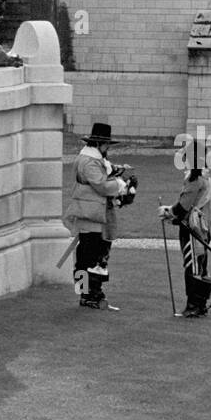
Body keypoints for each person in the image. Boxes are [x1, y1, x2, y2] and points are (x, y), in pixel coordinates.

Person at [63, 122, 137, 309]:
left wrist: (120, 172)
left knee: (93, 256)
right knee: (89, 256)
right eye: (106, 145)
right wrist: (121, 185)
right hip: (91, 214)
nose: (107, 148)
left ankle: (91, 293)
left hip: (94, 213)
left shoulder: (93, 159)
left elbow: (107, 171)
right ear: (98, 144)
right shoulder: (89, 162)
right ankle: (86, 295)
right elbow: (102, 185)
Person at [159, 151, 211, 318]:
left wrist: (168, 212)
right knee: (201, 266)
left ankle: (194, 305)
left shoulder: (195, 179)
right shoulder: (205, 177)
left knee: (193, 266)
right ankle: (201, 304)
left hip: (193, 228)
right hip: (202, 227)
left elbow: (183, 206)